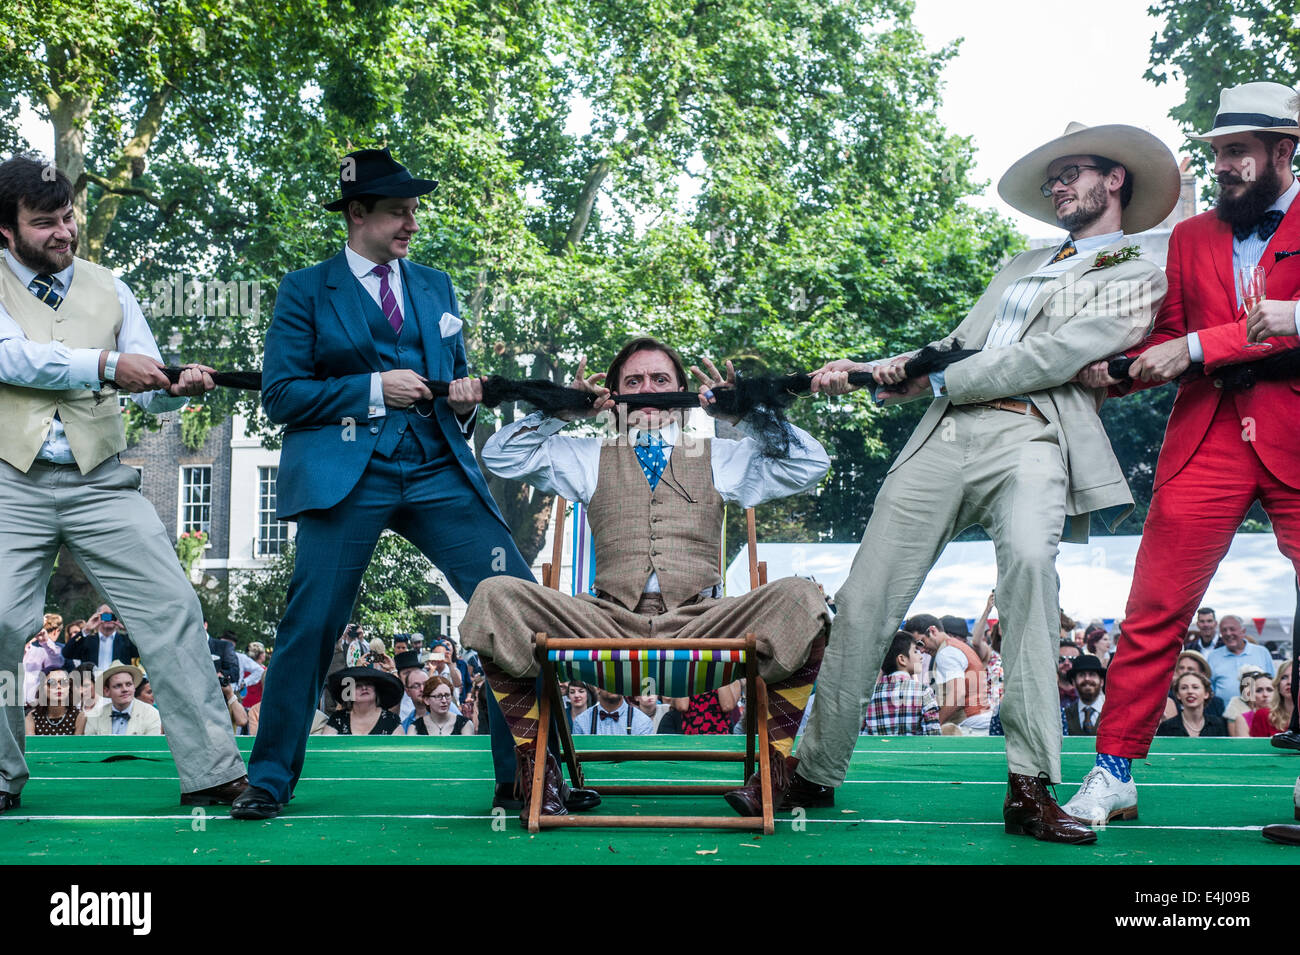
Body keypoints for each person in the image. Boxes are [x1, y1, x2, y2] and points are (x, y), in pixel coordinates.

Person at [794, 121, 1178, 845]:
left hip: (1034, 433)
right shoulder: (1018, 262)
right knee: (865, 592)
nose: (1059, 187)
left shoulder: (1142, 264)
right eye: (1052, 179)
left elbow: (1057, 354)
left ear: (1116, 178)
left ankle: (1029, 785)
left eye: (1073, 173)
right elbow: (959, 347)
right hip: (943, 432)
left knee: (1032, 574)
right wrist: (875, 369)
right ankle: (810, 772)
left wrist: (938, 374)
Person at [232, 148, 542, 821]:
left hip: (437, 469)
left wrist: (462, 399)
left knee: (516, 605)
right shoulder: (304, 290)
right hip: (349, 476)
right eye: (399, 210)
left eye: (413, 209)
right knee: (309, 625)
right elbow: (282, 396)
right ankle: (270, 777)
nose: (411, 222)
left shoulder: (437, 286)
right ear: (357, 214)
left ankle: (528, 775)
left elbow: (454, 382)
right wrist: (373, 387)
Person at [459, 337, 833, 820]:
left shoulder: (720, 453)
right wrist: (563, 411)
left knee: (802, 596)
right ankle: (537, 769)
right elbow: (501, 457)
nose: (648, 391)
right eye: (633, 382)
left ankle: (773, 771)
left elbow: (812, 463)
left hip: (703, 624)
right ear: (613, 396)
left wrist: (744, 414)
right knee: (494, 594)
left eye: (661, 381)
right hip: (607, 622)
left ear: (685, 393)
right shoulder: (588, 454)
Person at [1063, 82, 1300, 828]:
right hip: (1208, 433)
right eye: (1218, 153)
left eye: (1237, 152)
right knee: (1153, 608)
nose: (1224, 165)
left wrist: (1200, 345)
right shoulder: (1191, 237)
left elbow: (1258, 331)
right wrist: (1113, 369)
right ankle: (1114, 771)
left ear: (1282, 152)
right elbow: (1166, 338)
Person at [0, 155, 247, 812]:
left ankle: (214, 769)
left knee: (173, 608)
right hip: (9, 484)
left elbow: (147, 395)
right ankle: (0, 776)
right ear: (5, 230)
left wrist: (175, 389)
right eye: (45, 222)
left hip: (101, 481)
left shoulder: (112, 288)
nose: (64, 231)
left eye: (69, 216)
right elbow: (13, 356)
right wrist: (107, 362)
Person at [906, 613, 989, 734]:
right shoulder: (956, 646)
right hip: (979, 721)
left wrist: (934, 725)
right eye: (918, 648)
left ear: (933, 631)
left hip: (969, 724)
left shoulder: (946, 652)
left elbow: (957, 695)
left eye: (921, 643)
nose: (922, 651)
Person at [862, 631, 940, 736]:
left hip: (881, 752)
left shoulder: (870, 694)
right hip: (914, 752)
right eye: (915, 651)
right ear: (902, 659)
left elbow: (863, 737)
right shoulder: (923, 692)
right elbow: (934, 735)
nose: (921, 656)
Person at [1206, 616, 1276, 706]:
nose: (1228, 633)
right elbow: (1210, 688)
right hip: (1224, 715)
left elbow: (1273, 682)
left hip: (1257, 713)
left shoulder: (1261, 652)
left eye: (1232, 629)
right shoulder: (1213, 656)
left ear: (1243, 631)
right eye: (1224, 630)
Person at [83, 662, 163, 736]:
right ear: (107, 691)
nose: (125, 689)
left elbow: (151, 749)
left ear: (134, 687)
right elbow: (90, 748)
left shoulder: (151, 714)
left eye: (129, 684)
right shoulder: (95, 716)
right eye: (118, 685)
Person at [322, 667, 404, 736]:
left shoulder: (391, 720)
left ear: (376, 690)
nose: (364, 688)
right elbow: (325, 749)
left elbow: (400, 752)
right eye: (358, 686)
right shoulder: (338, 719)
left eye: (368, 684)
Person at [63, 604, 140, 673]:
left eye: (113, 616)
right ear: (97, 617)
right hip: (93, 685)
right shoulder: (87, 640)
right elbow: (67, 653)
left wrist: (128, 629)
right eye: (105, 616)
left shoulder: (126, 640)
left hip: (117, 685)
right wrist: (86, 629)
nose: (109, 619)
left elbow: (144, 652)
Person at [1156, 672, 1229, 738]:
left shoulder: (1218, 724)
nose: (1190, 691)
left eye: (1195, 687)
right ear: (1178, 695)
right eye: (1184, 688)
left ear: (1206, 694)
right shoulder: (1166, 727)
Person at [25, 667, 84, 736]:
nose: (59, 686)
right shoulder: (32, 717)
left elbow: (77, 746)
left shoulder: (79, 716)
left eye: (64, 682)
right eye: (51, 682)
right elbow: (31, 745)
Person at [571, 689, 655, 736]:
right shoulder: (581, 721)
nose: (614, 686)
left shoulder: (643, 721)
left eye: (618, 682)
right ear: (597, 687)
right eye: (608, 681)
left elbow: (642, 762)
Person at [1241, 661, 1293, 737]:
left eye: (1296, 677)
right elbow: (1257, 748)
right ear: (1277, 684)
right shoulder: (1263, 715)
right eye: (1284, 677)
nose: (1289, 682)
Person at [408, 675, 473, 735]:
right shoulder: (414, 728)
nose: (444, 701)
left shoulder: (465, 724)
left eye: (447, 695)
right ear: (426, 700)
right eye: (438, 696)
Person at [1062, 656, 1106, 736]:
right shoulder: (1064, 715)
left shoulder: (1112, 713)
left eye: (1092, 674)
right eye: (1081, 675)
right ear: (1074, 682)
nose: (1087, 679)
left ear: (1102, 682)